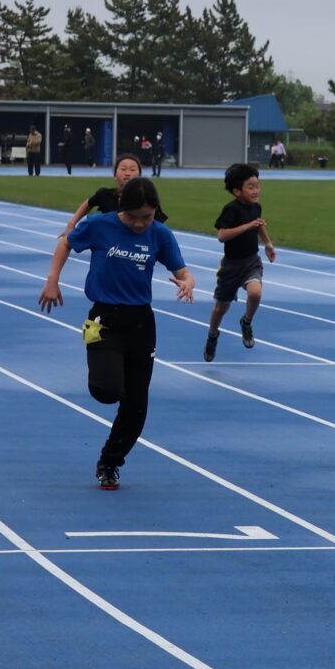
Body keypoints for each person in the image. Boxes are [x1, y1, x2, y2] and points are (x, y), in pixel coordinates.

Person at [38, 177, 196, 490]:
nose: (139, 224)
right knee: (108, 390)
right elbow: (65, 243)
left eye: (146, 217)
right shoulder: (99, 225)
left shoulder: (160, 234)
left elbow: (182, 271)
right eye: (133, 217)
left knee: (137, 404)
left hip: (141, 323)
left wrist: (188, 281)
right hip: (103, 318)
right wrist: (52, 280)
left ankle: (109, 463)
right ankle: (109, 377)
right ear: (121, 209)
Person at [203, 163, 276, 362]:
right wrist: (246, 226)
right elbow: (222, 235)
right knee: (220, 308)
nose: (256, 190)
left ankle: (246, 322)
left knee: (255, 292)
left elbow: (259, 224)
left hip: (251, 261)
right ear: (237, 191)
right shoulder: (231, 210)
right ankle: (212, 334)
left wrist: (268, 244)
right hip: (231, 266)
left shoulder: (256, 207)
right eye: (250, 187)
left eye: (257, 186)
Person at [59, 153, 168, 237]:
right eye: (123, 169)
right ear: (114, 174)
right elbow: (88, 204)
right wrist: (71, 224)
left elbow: (159, 227)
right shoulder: (105, 195)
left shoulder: (147, 198)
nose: (127, 173)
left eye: (132, 169)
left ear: (140, 175)